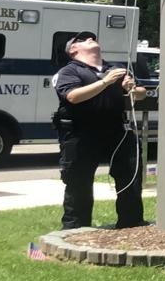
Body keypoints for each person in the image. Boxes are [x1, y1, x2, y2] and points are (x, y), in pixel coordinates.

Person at [51, 31, 149, 230]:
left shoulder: (115, 69)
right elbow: (73, 96)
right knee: (79, 180)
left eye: (93, 37)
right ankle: (75, 228)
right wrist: (105, 82)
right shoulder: (69, 72)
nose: (90, 39)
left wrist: (132, 89)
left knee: (130, 175)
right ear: (73, 50)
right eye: (82, 39)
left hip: (117, 130)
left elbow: (142, 94)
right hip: (81, 132)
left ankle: (131, 223)